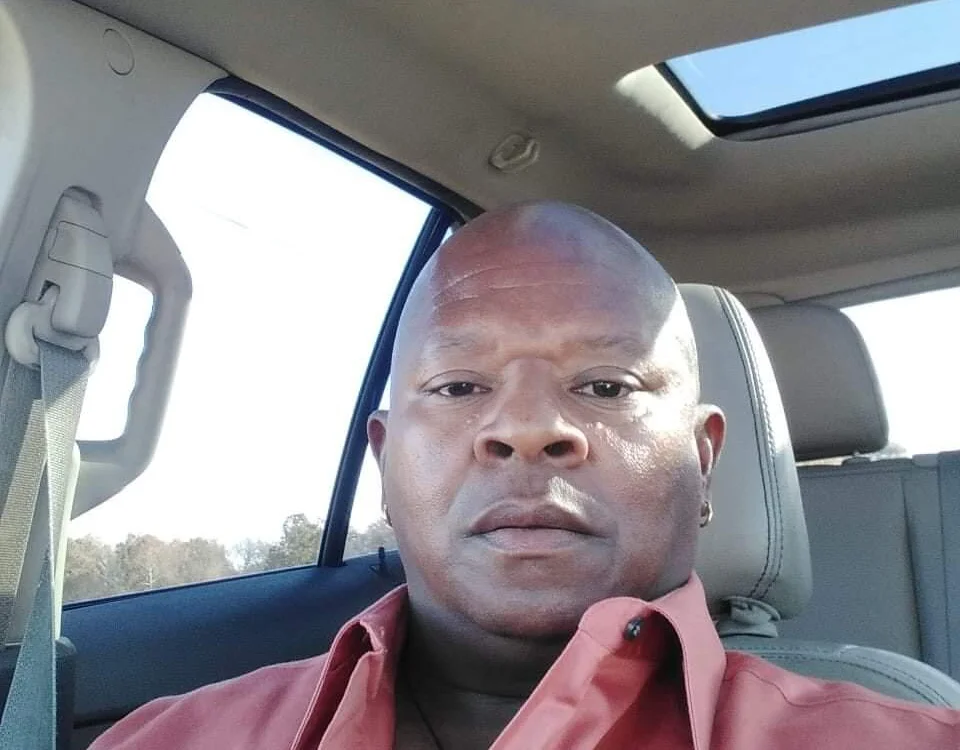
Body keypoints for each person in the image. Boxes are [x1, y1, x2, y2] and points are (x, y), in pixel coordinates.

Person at [91, 202, 960, 749]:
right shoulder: (166, 740)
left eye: (607, 386)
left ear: (701, 464)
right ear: (385, 463)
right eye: (460, 386)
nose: (529, 428)